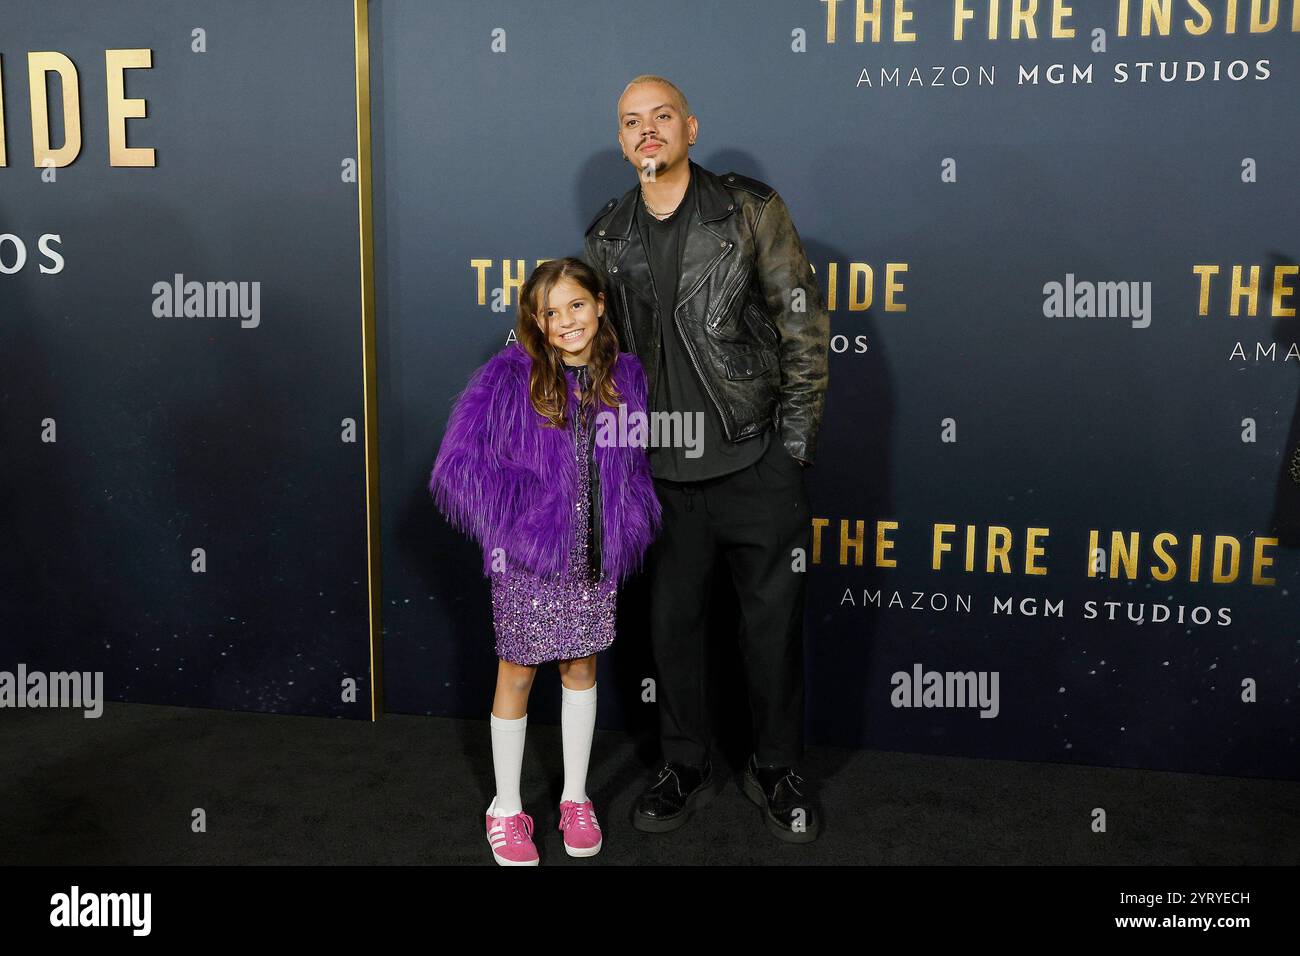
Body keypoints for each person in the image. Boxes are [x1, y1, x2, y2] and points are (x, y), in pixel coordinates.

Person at [583, 75, 830, 843]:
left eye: (661, 117)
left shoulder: (750, 209)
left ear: (691, 127)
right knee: (674, 633)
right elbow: (607, 358)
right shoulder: (608, 235)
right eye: (632, 122)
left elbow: (804, 331)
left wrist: (791, 452)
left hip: (755, 458)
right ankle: (681, 765)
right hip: (663, 476)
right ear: (622, 140)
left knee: (772, 630)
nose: (647, 131)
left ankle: (778, 767)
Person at [428, 257, 661, 865]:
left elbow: (631, 465)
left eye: (576, 305)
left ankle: (575, 800)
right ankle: (506, 810)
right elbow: (455, 467)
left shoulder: (627, 376)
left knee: (581, 669)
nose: (565, 321)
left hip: (592, 557)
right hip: (526, 560)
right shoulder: (510, 376)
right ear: (535, 320)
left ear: (600, 305)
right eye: (550, 312)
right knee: (518, 673)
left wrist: (622, 522)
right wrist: (523, 522)